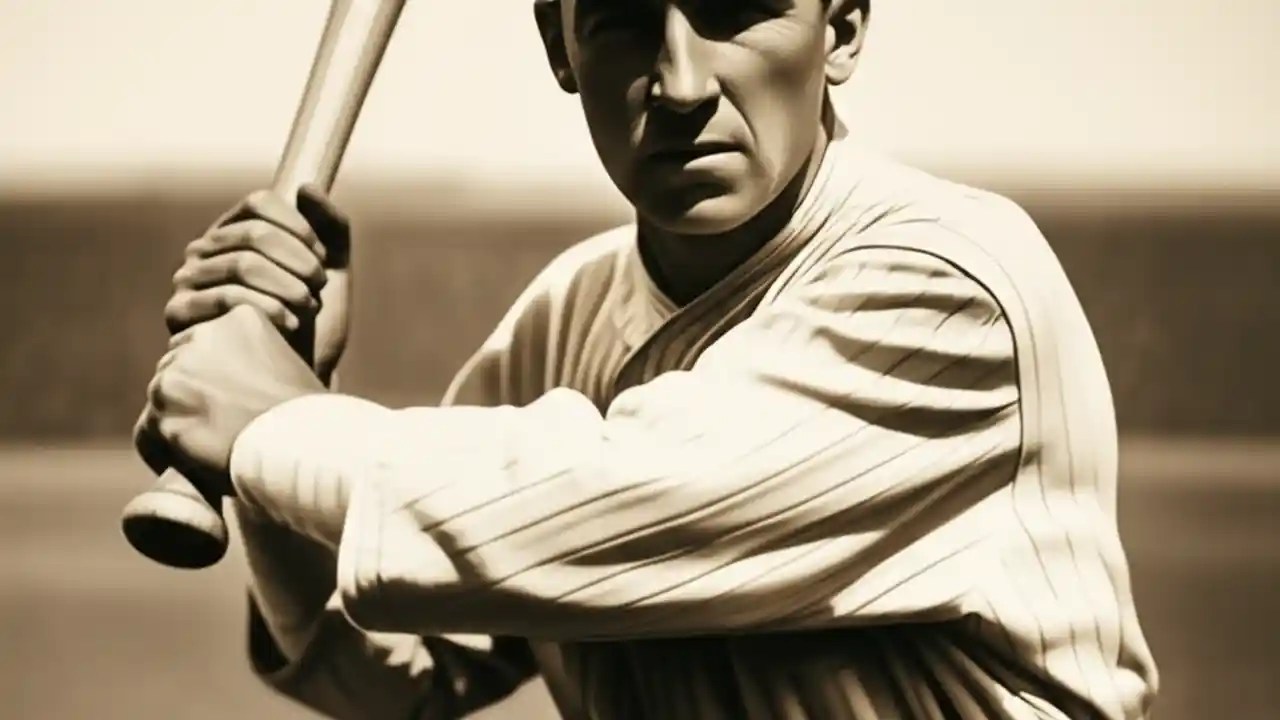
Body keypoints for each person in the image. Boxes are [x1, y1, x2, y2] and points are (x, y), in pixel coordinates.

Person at [136, 0, 1161, 718]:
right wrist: (282, 405)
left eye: (734, 7)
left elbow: (612, 508)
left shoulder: (951, 289)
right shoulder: (566, 317)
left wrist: (272, 425)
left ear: (840, 26)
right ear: (559, 44)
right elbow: (388, 684)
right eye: (624, 17)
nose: (678, 83)